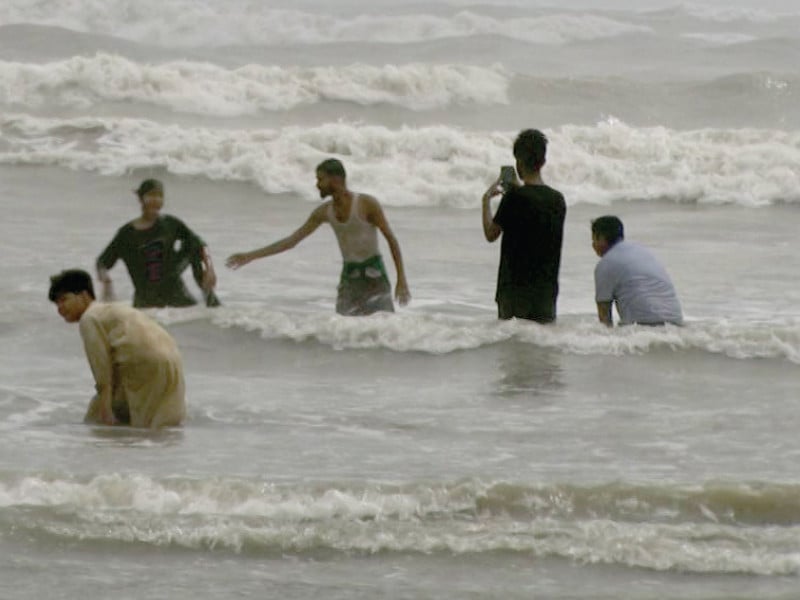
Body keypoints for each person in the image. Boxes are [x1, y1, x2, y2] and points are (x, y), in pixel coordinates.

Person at [226, 158, 411, 316]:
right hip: (349, 278)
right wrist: (251, 256)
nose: (317, 184)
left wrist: (401, 280)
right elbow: (292, 241)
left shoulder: (367, 204)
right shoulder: (323, 212)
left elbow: (391, 240)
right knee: (343, 331)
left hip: (375, 276)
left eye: (320, 179)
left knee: (384, 328)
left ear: (336, 180)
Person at [48, 269, 186, 428]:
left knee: (131, 427)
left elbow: (102, 368)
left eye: (64, 299)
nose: (60, 308)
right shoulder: (112, 309)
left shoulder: (89, 318)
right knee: (160, 426)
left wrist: (106, 409)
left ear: (84, 295)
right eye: (56, 303)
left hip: (144, 364)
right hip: (171, 358)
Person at [481, 129, 566, 323]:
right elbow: (536, 212)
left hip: (513, 291)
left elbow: (490, 233)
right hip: (546, 292)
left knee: (513, 348)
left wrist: (485, 201)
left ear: (518, 162)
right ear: (543, 162)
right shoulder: (557, 200)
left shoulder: (513, 198)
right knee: (539, 348)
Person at [96, 178, 220, 308]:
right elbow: (102, 262)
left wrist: (209, 268)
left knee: (193, 246)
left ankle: (212, 303)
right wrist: (106, 282)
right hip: (147, 299)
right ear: (140, 198)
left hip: (174, 292)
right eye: (151, 195)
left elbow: (201, 244)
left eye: (160, 196)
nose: (156, 199)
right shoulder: (126, 233)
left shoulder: (171, 224)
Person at [591, 215, 683, 327]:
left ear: (601, 238)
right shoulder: (642, 252)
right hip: (676, 323)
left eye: (594, 239)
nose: (593, 245)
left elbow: (604, 317)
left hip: (643, 326)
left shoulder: (605, 264)